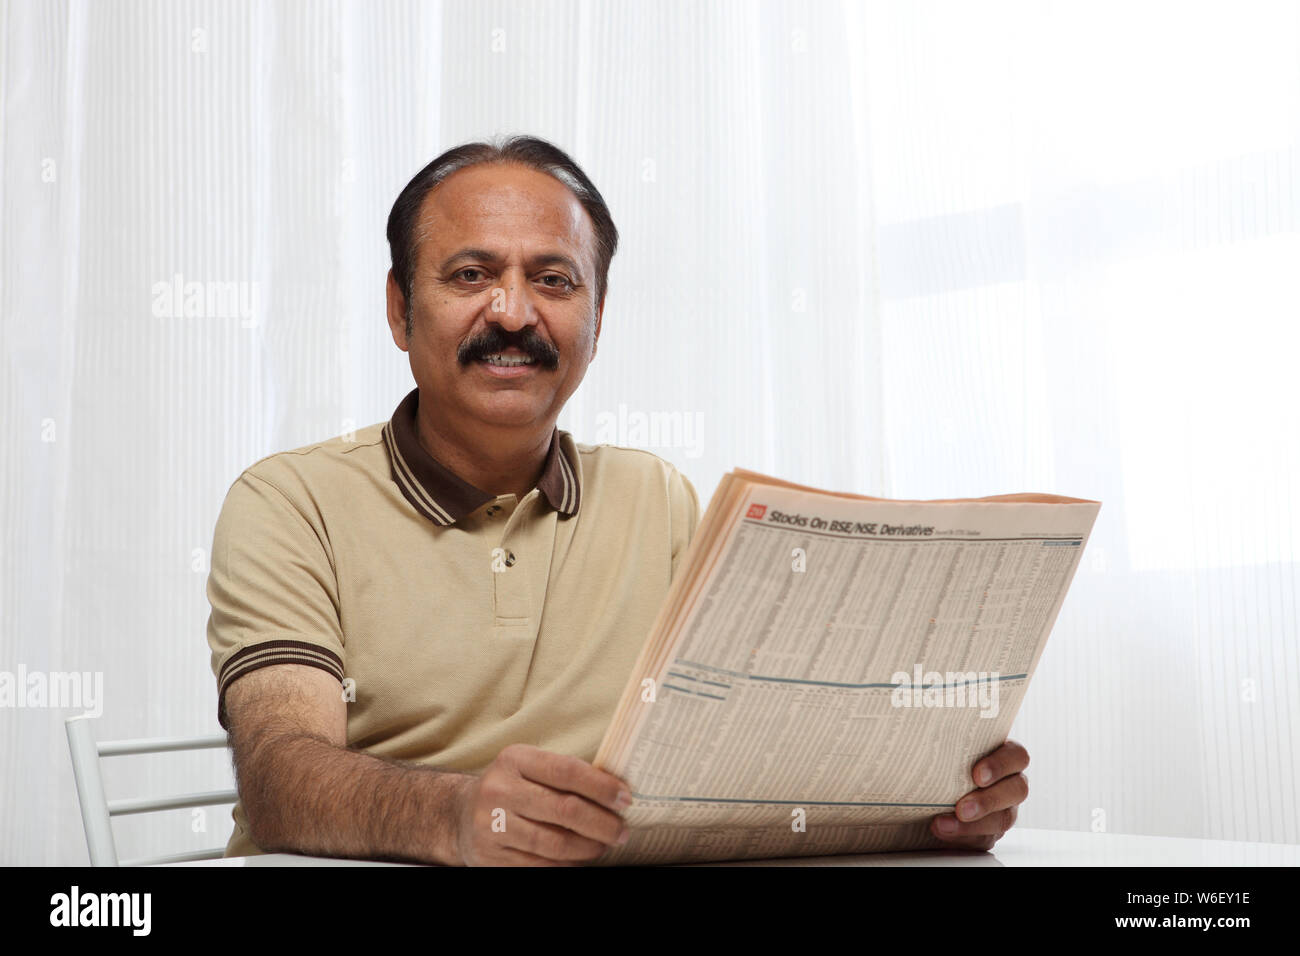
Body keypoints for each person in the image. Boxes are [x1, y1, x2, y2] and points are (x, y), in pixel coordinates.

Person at [205, 135, 1029, 866]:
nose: (515, 313)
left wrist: (929, 812)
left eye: (555, 280)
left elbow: (739, 764)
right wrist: (458, 815)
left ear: (597, 320)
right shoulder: (289, 503)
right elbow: (282, 776)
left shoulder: (656, 497)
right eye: (471, 274)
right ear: (399, 308)